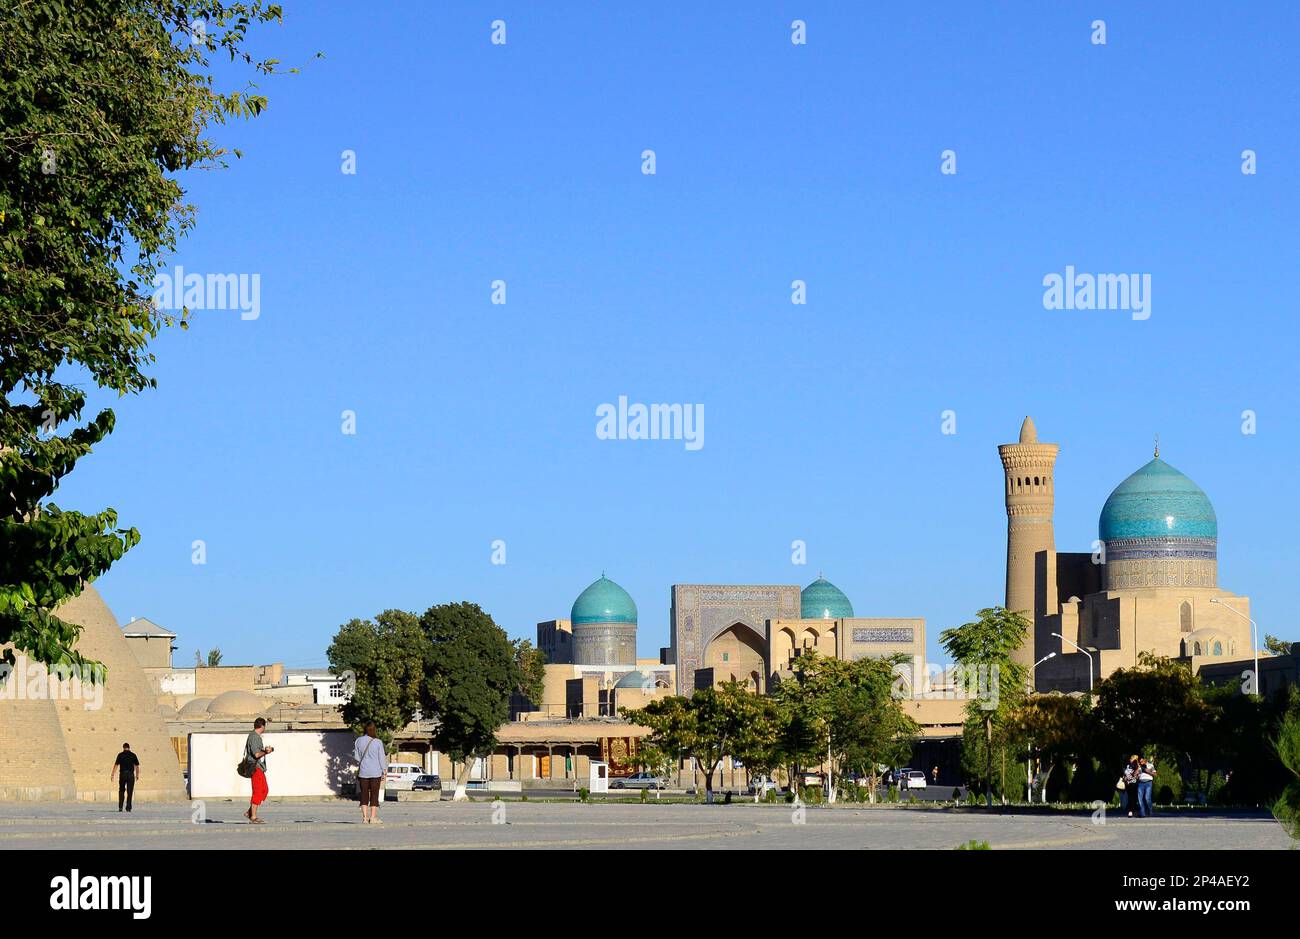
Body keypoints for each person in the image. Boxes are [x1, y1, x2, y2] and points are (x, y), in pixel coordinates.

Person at [354, 722, 389, 824]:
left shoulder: (358, 741)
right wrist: (384, 771)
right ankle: (373, 817)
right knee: (374, 794)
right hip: (375, 772)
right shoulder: (378, 742)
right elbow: (382, 758)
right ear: (374, 730)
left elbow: (356, 757)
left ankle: (365, 818)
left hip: (363, 772)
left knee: (364, 794)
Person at [243, 717, 274, 824]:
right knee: (257, 791)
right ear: (262, 726)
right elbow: (256, 754)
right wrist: (266, 752)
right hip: (255, 767)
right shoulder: (254, 737)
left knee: (264, 790)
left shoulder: (256, 737)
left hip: (259, 767)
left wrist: (265, 750)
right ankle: (253, 817)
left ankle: (250, 812)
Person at [110, 743, 141, 812]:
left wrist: (112, 774)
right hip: (130, 775)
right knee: (130, 792)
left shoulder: (120, 755)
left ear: (123, 747)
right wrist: (137, 775)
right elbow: (137, 766)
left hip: (123, 774)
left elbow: (116, 765)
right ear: (129, 747)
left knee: (121, 790)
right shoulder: (133, 755)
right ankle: (128, 808)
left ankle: (120, 807)